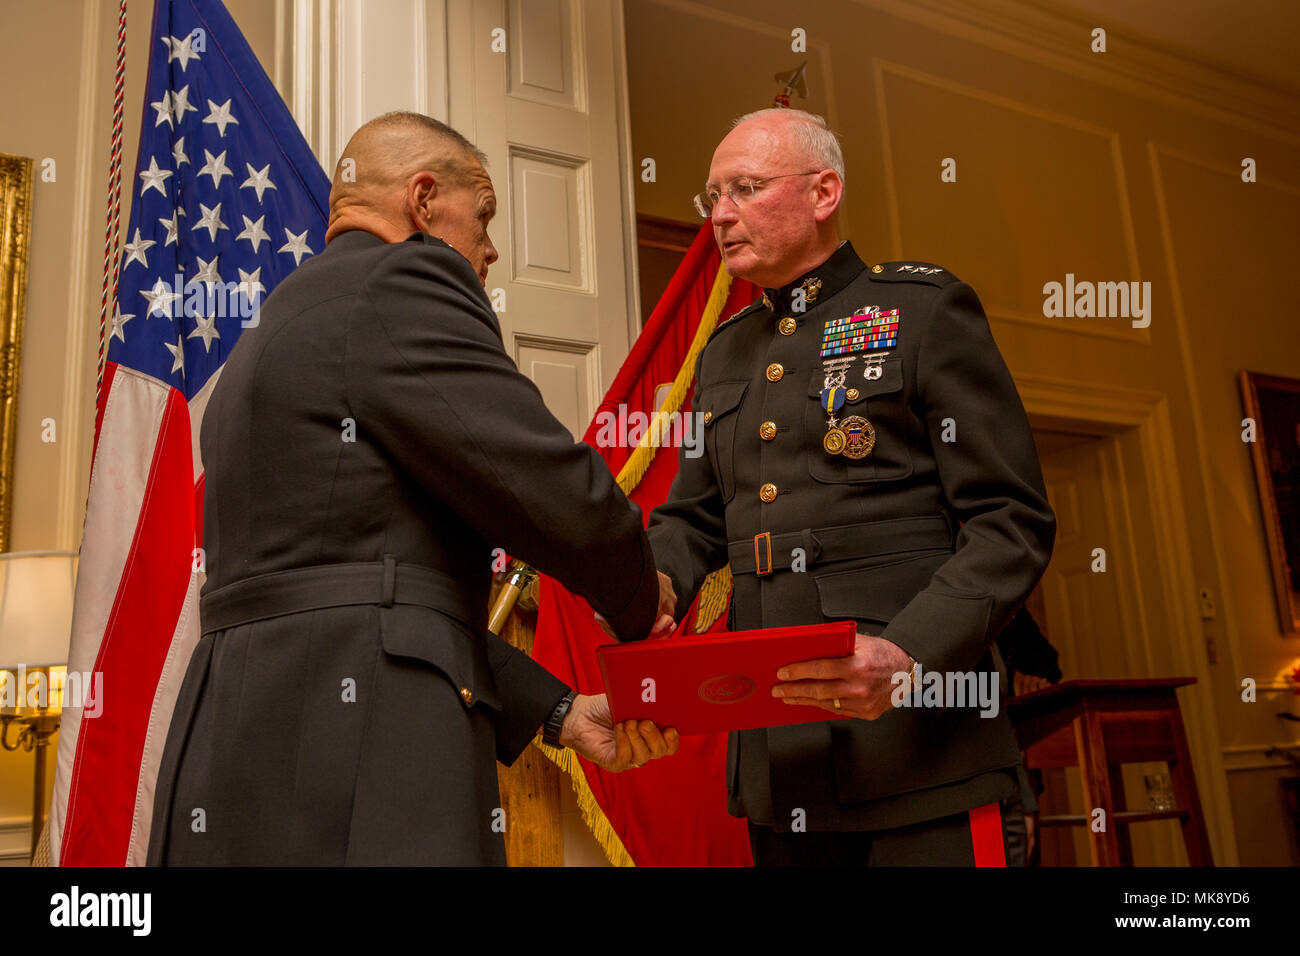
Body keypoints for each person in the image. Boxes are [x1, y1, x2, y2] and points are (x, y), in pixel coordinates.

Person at [147, 112, 678, 866]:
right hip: (368, 754)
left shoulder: (271, 329)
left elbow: (368, 586)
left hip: (233, 743)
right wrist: (638, 598)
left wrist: (558, 713)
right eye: (484, 216)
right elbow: (539, 481)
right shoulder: (407, 278)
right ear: (425, 200)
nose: (490, 251)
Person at [645, 108, 1056, 866]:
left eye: (744, 188)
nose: (720, 215)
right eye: (711, 197)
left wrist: (907, 655)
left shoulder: (921, 311)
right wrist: (654, 585)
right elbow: (692, 520)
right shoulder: (724, 356)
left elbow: (1010, 522)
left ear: (824, 192)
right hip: (782, 765)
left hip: (924, 751)